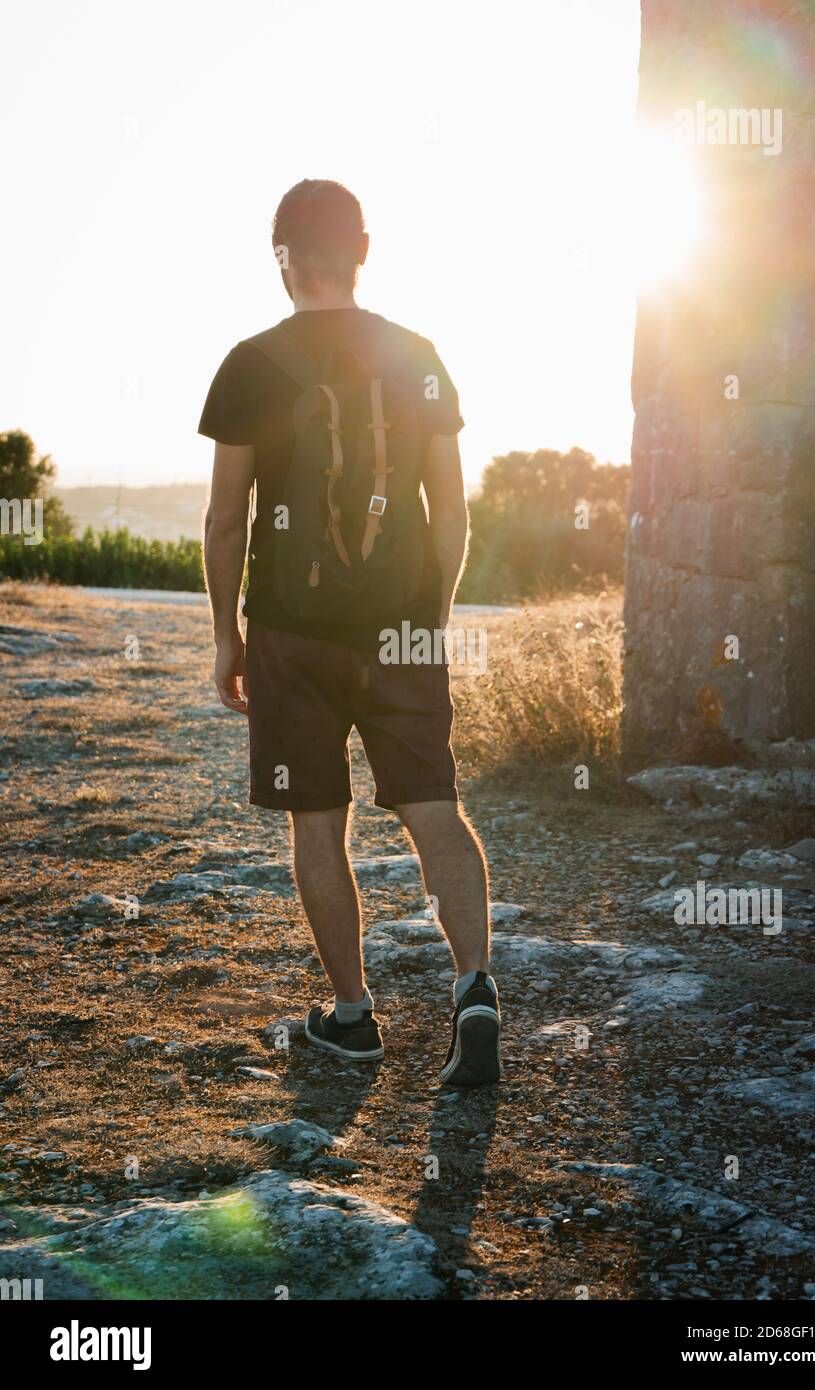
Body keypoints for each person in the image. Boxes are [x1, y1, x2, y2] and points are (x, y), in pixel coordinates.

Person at [199, 179, 500, 1085]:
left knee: (316, 827)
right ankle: (475, 991)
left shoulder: (251, 362)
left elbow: (225, 520)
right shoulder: (418, 356)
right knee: (434, 808)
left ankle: (352, 1017)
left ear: (283, 255)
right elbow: (451, 512)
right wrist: (430, 619)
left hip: (291, 634)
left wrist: (227, 636)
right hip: (402, 625)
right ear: (363, 249)